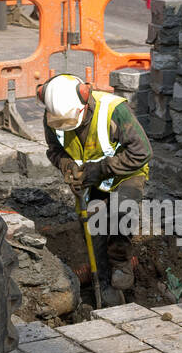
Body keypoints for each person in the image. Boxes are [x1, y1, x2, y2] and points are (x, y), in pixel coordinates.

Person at [38, 74, 152, 301]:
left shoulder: (113, 110)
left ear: (84, 100)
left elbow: (142, 152)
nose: (65, 126)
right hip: (92, 179)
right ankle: (103, 281)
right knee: (94, 226)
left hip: (125, 174)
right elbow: (54, 150)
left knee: (121, 212)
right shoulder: (54, 114)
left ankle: (121, 262)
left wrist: (98, 170)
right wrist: (67, 165)